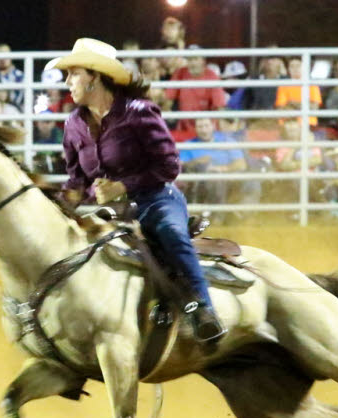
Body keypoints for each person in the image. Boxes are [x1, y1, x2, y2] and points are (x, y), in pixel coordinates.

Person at [48, 38, 225, 344]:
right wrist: (58, 202)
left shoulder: (138, 112)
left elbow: (169, 167)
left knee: (171, 232)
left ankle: (203, 309)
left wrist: (122, 185)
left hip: (156, 199)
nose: (67, 82)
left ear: (93, 75)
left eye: (73, 74)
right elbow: (76, 181)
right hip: (110, 212)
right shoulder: (73, 124)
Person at [178, 117, 247, 209]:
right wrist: (197, 161)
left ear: (213, 126)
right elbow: (181, 166)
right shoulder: (188, 145)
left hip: (228, 179)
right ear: (195, 128)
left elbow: (241, 164)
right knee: (211, 176)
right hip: (201, 182)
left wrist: (220, 169)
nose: (204, 130)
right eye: (200, 127)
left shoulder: (226, 141)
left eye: (206, 126)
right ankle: (216, 216)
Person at [165, 45, 227, 134]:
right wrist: (168, 113)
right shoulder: (180, 73)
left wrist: (219, 131)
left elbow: (219, 105)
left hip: (206, 127)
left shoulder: (211, 76)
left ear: (203, 60)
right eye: (190, 59)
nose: (193, 63)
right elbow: (168, 98)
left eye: (196, 59)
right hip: (184, 126)